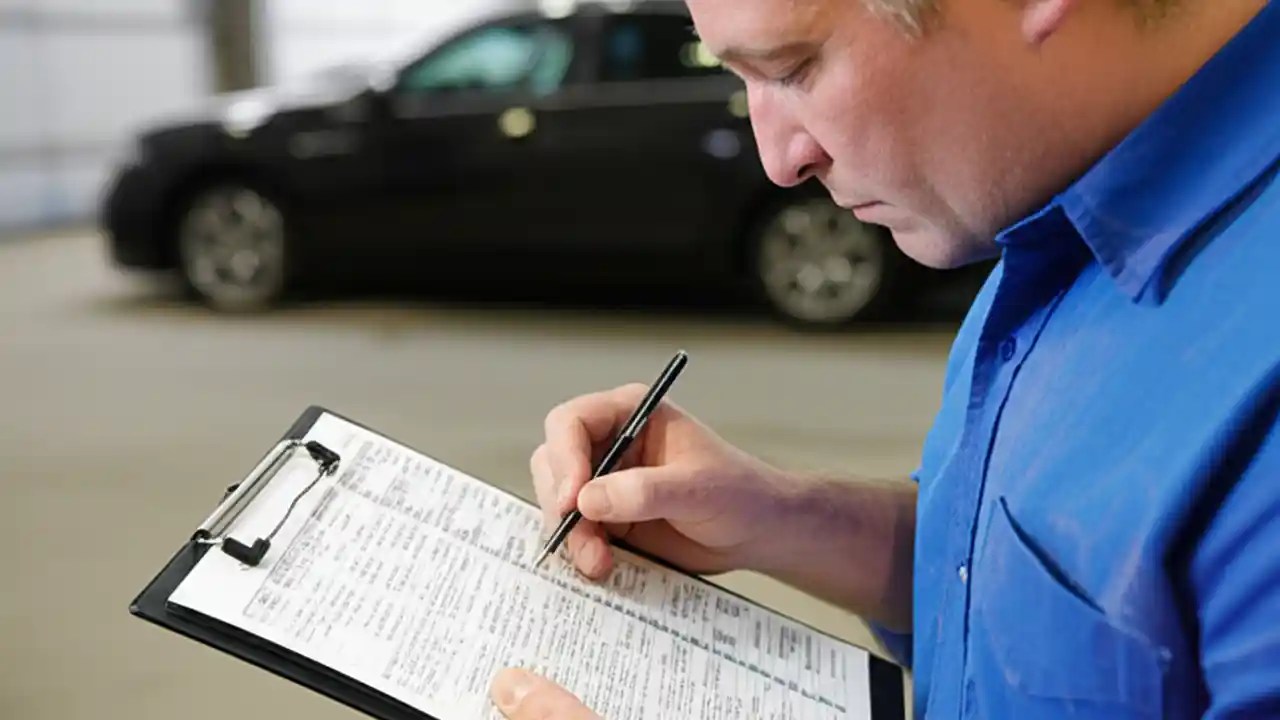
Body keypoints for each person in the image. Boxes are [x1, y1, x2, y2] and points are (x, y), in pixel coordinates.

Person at [488, 0, 1280, 716]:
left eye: (792, 68)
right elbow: (1048, 597)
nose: (779, 160)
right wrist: (778, 518)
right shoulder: (1057, 191)